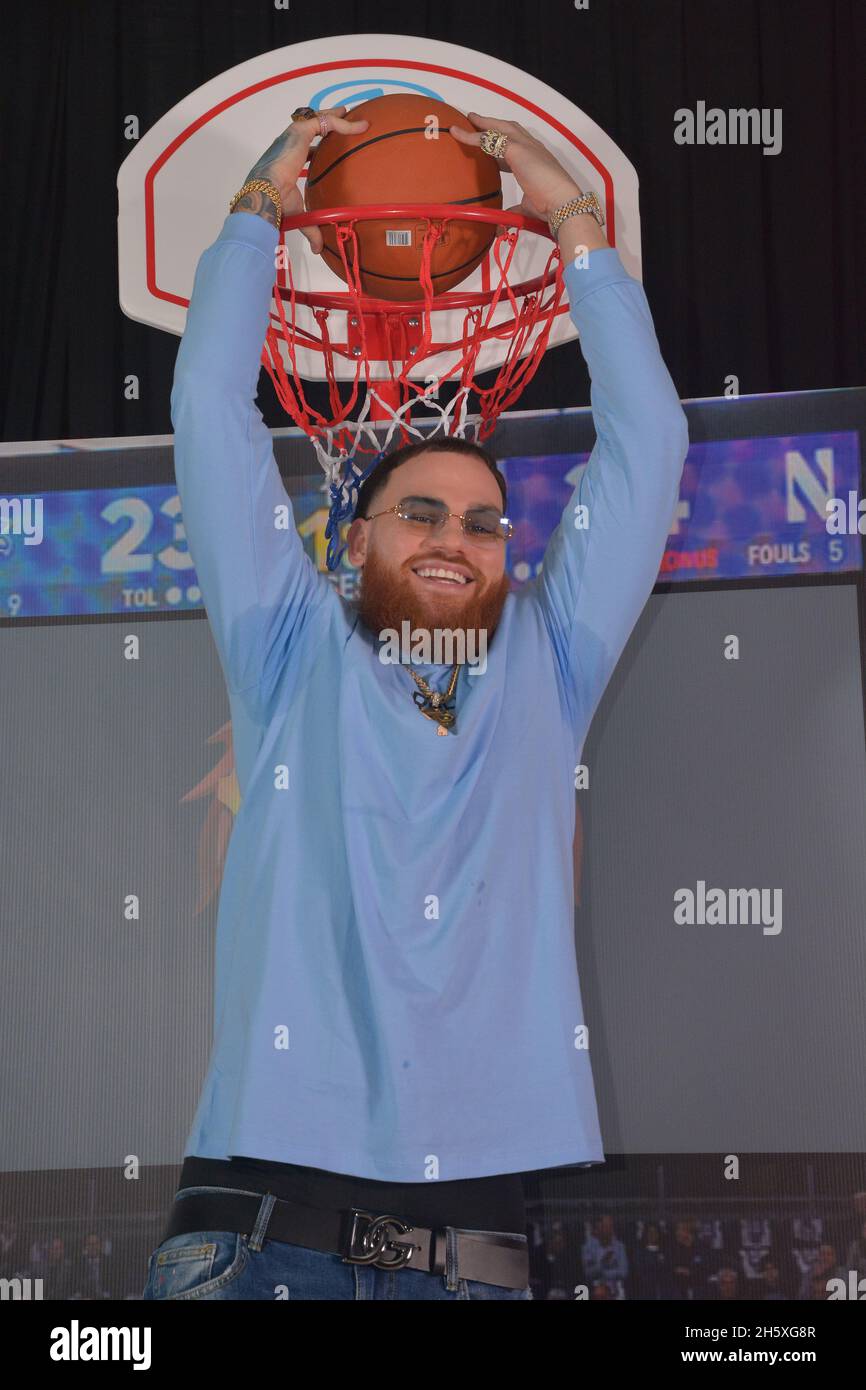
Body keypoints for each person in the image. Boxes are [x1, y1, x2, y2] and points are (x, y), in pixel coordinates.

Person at [142, 104, 689, 1302]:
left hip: (472, 1256)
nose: (458, 537)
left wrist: (571, 220)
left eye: (486, 520)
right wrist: (258, 210)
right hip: (253, 1231)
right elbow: (207, 413)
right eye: (423, 512)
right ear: (352, 534)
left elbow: (648, 437)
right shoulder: (286, 648)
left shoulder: (550, 668)